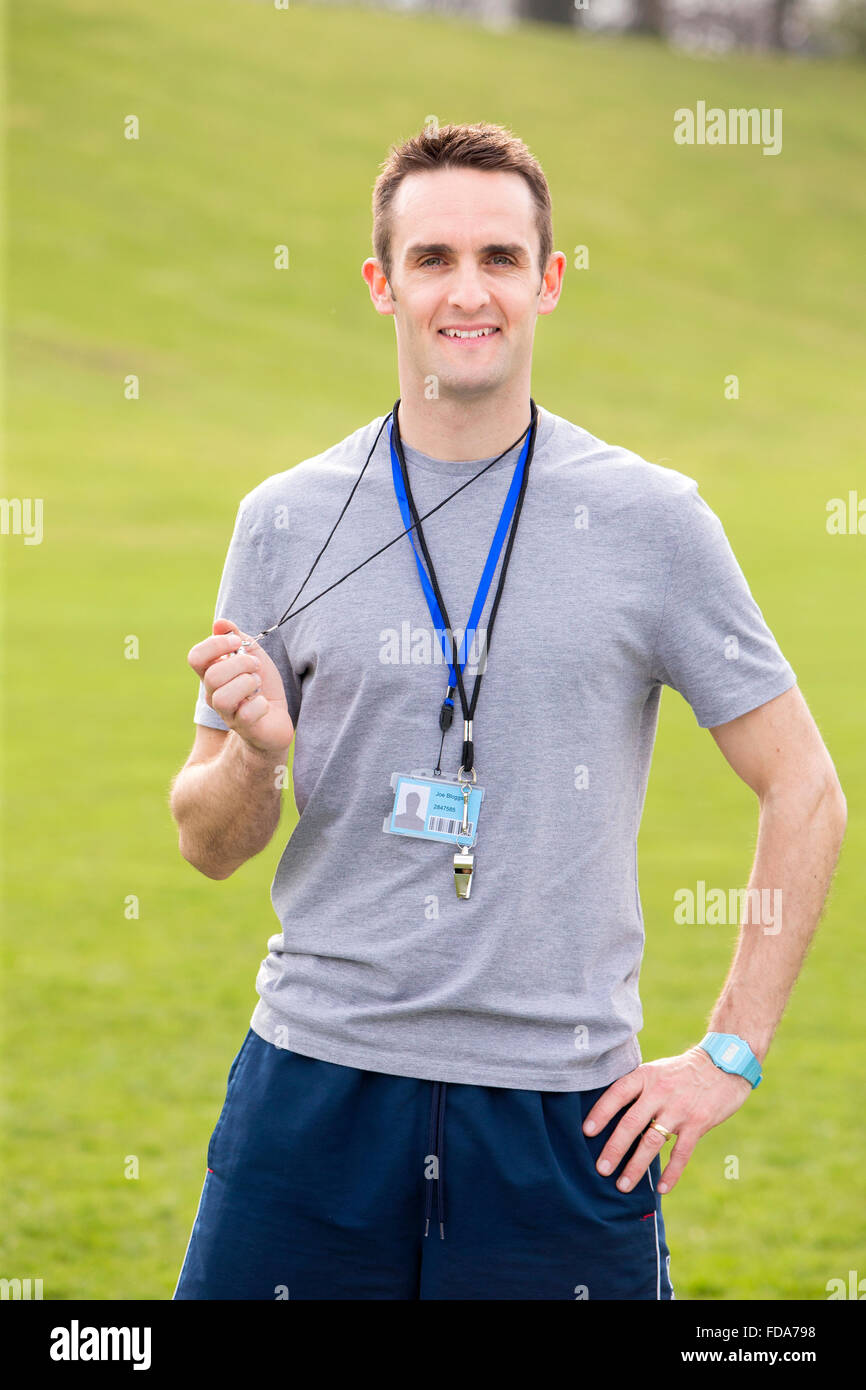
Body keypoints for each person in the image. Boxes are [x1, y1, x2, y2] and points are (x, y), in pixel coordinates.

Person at [168, 122, 846, 1300]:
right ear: (382, 283)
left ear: (548, 280)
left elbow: (805, 787)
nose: (465, 291)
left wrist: (727, 1054)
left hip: (561, 1117)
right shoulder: (282, 519)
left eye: (497, 258)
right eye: (430, 259)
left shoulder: (652, 521)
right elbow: (207, 842)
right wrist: (262, 760)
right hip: (313, 1094)